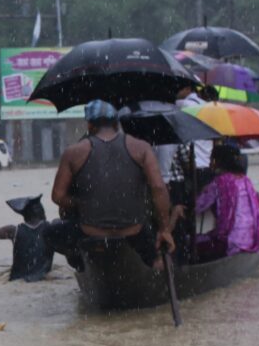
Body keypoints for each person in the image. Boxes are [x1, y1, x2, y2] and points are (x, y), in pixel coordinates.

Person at [49, 100, 175, 269]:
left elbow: (57, 196)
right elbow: (159, 188)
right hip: (134, 231)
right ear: (116, 123)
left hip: (89, 232)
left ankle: (81, 263)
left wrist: (82, 203)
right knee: (155, 254)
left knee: (49, 232)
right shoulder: (142, 148)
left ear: (90, 125)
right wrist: (165, 229)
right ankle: (155, 263)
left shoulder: (73, 152)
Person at [176, 142, 259, 260]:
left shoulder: (220, 182)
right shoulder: (245, 180)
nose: (209, 163)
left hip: (230, 243)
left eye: (211, 160)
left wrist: (182, 206)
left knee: (188, 242)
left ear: (217, 162)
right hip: (252, 239)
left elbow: (197, 207)